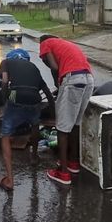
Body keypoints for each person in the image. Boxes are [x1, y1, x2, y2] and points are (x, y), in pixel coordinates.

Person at [38, 35, 94, 186]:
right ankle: (73, 163)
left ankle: (63, 172)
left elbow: (54, 67)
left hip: (73, 79)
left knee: (62, 128)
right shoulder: (65, 43)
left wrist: (59, 83)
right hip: (88, 79)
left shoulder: (46, 43)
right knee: (76, 123)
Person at [0, 48, 54, 192]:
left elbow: (4, 82)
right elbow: (46, 91)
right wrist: (53, 110)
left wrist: (4, 101)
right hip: (35, 98)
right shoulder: (33, 67)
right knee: (34, 125)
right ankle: (34, 157)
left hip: (17, 94)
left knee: (5, 134)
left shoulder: (6, 62)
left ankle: (9, 179)